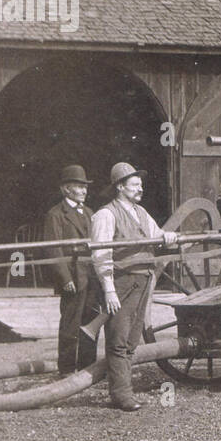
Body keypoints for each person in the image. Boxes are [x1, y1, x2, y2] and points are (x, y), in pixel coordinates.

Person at [89, 162, 178, 411]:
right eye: (135, 184)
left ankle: (123, 390)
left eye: (141, 184)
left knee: (131, 340)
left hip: (143, 281)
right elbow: (101, 255)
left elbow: (157, 235)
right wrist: (109, 289)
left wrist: (167, 237)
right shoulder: (106, 215)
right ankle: (121, 395)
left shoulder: (141, 212)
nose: (140, 189)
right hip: (121, 283)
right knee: (118, 339)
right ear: (120, 187)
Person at [42, 165, 97, 374]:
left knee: (90, 322)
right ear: (66, 189)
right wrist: (65, 278)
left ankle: (88, 368)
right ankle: (66, 369)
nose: (84, 191)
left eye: (85, 187)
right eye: (79, 187)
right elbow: (53, 249)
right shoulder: (56, 214)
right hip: (73, 278)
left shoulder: (90, 213)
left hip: (91, 276)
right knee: (70, 324)